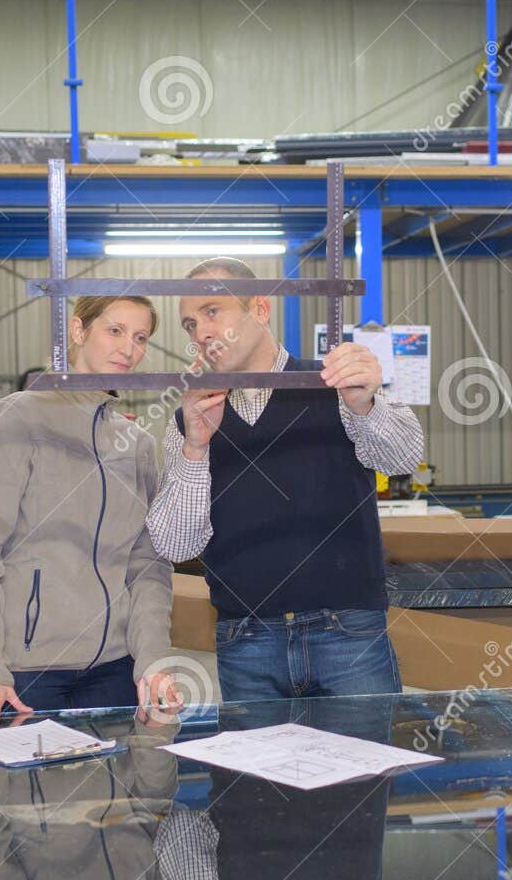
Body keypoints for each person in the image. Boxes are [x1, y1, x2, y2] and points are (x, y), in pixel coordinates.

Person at [146, 256, 425, 701]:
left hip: (348, 633)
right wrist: (196, 447)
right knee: (255, 773)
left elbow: (404, 457)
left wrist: (366, 404)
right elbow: (176, 546)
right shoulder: (189, 419)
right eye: (189, 324)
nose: (201, 332)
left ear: (260, 309)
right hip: (247, 640)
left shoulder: (334, 384)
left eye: (213, 312)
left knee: (365, 768)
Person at [0, 296, 182, 727]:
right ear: (78, 331)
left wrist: (152, 659)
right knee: (29, 793)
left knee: (119, 791)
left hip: (116, 668)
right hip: (28, 674)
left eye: (140, 338)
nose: (128, 349)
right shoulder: (16, 419)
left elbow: (147, 564)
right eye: (114, 331)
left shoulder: (138, 445)